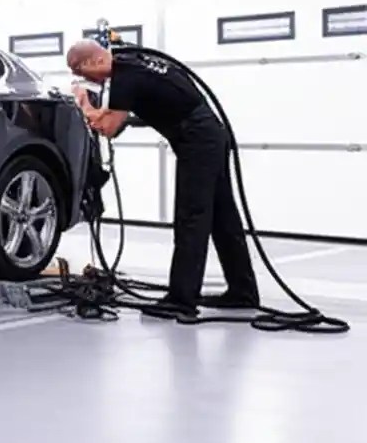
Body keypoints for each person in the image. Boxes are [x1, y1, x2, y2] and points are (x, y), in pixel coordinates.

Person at [65, 39, 259, 314]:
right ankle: (243, 292)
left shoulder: (124, 78)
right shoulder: (133, 59)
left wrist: (82, 101)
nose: (86, 80)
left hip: (198, 139)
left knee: (191, 216)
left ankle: (181, 301)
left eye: (82, 73)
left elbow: (107, 127)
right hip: (210, 132)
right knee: (222, 215)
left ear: (94, 61)